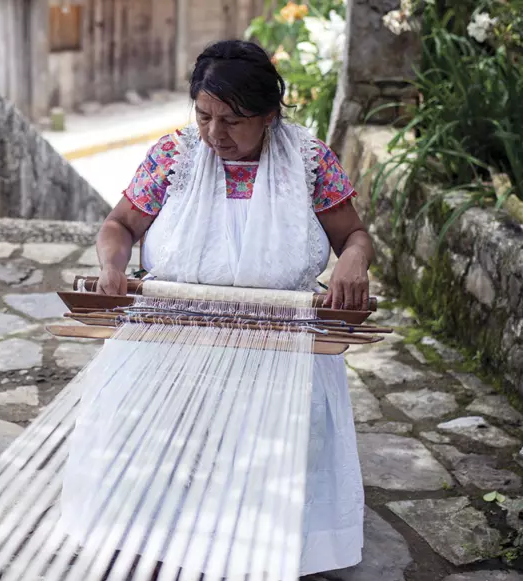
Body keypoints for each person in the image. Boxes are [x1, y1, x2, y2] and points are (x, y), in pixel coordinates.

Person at [62, 39, 374, 577]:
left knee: (264, 470)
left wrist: (353, 260)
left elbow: (355, 237)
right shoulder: (173, 157)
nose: (214, 134)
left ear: (270, 115)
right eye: (204, 116)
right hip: (174, 338)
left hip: (280, 348)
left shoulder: (309, 161)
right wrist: (114, 266)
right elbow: (120, 226)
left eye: (234, 120)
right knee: (163, 464)